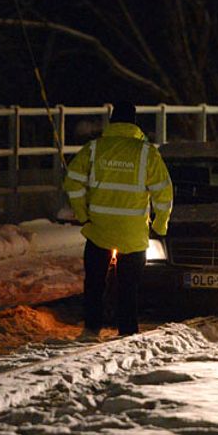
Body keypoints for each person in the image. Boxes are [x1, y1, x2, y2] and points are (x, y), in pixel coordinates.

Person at [63, 101, 173, 339]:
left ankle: (91, 328)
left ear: (112, 123)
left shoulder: (94, 149)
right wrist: (159, 225)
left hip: (98, 231)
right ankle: (127, 332)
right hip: (133, 236)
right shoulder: (146, 153)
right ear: (134, 124)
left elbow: (72, 183)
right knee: (128, 288)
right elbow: (163, 193)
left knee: (94, 283)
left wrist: (83, 216)